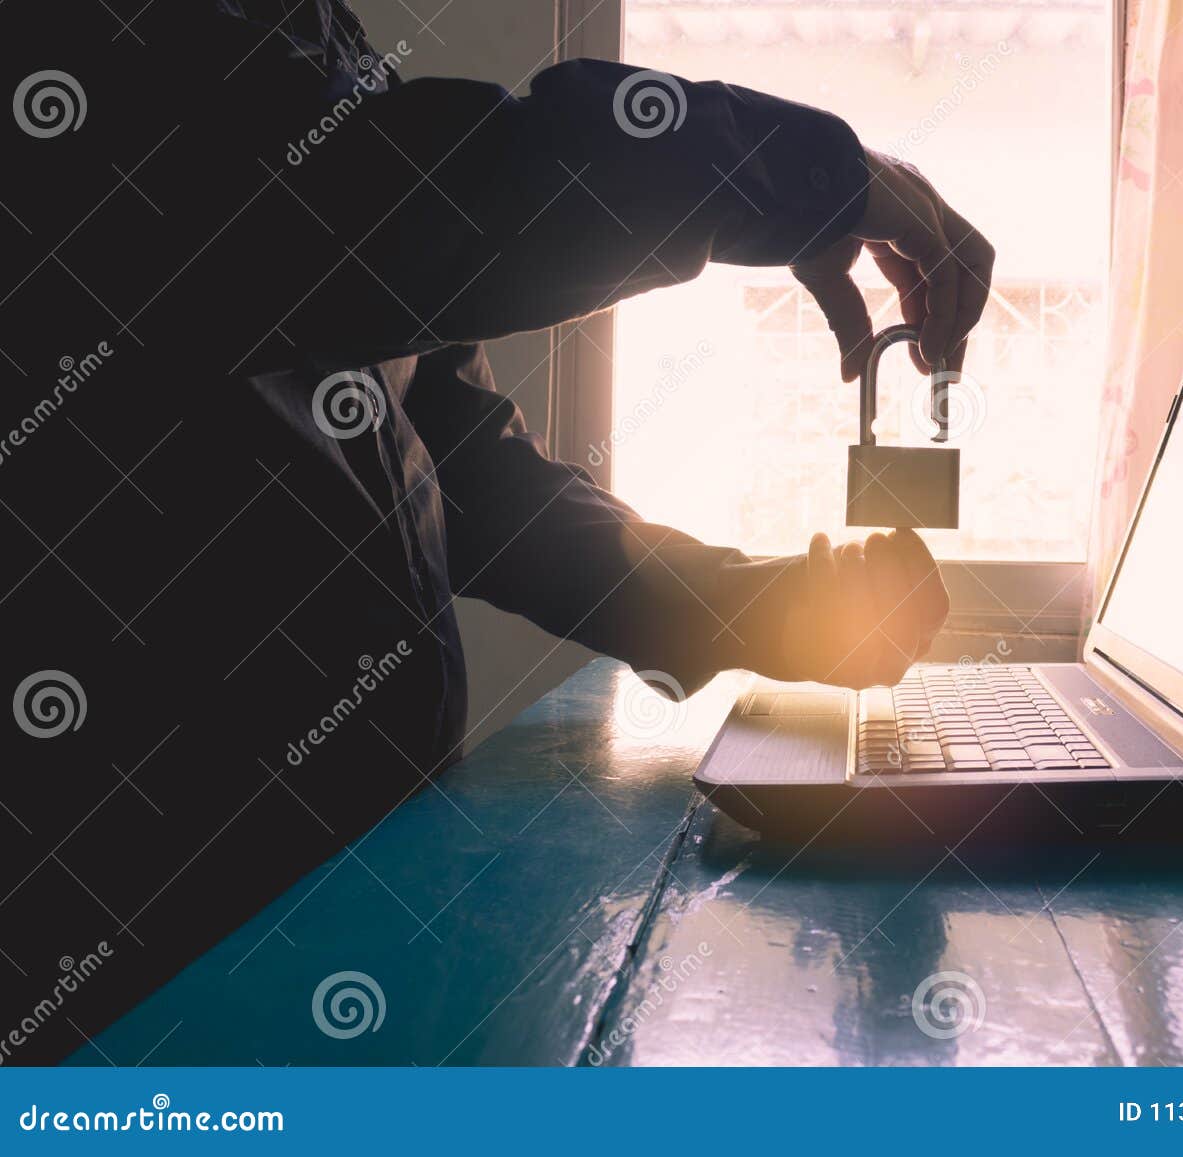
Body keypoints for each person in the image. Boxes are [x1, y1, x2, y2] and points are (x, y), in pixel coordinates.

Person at [0, 0, 992, 1062]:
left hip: (339, 880)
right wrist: (792, 171)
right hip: (125, 926)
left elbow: (456, 461)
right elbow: (347, 213)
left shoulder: (307, 33)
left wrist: (745, 604)